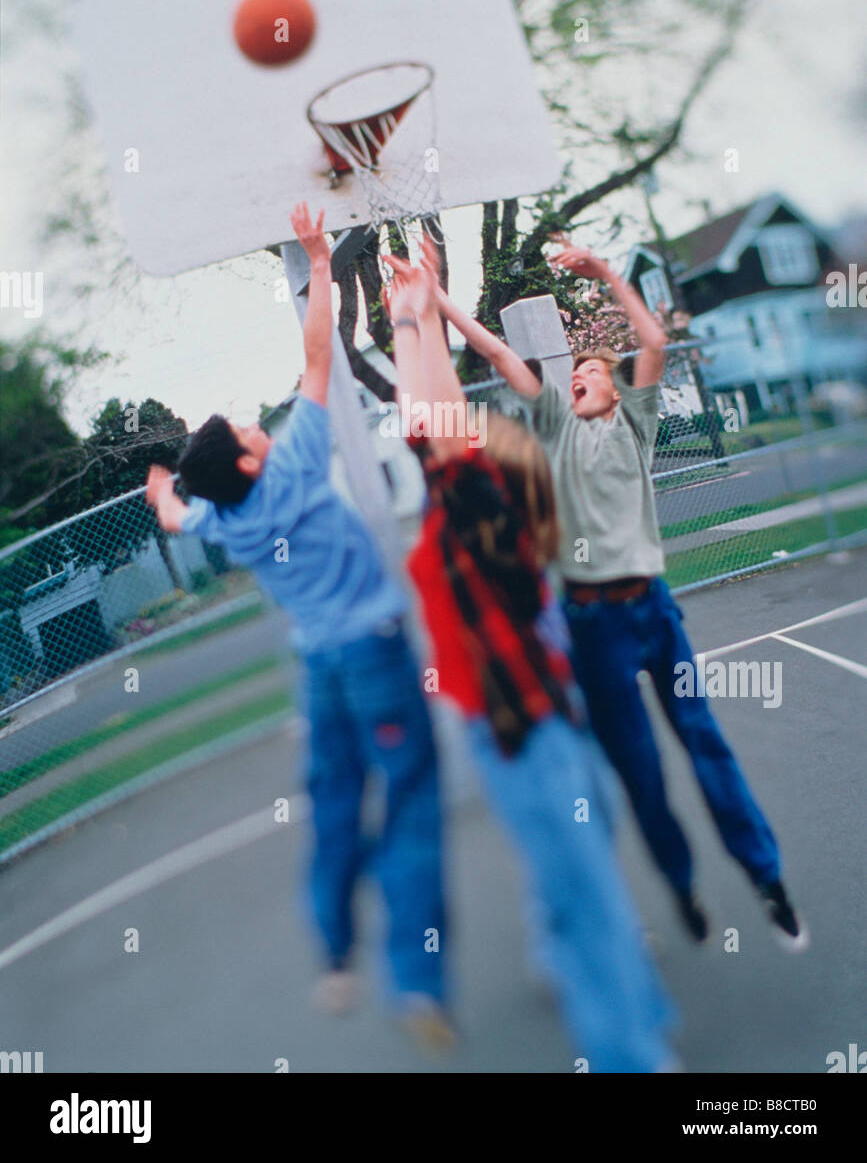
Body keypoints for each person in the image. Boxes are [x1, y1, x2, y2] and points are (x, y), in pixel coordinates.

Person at [427, 233, 808, 952]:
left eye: (590, 372)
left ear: (614, 388)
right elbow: (499, 353)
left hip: (651, 609)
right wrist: (436, 294)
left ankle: (766, 878)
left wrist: (601, 269)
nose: (576, 375)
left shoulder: (634, 424)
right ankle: (681, 885)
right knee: (639, 773)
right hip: (591, 623)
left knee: (703, 744)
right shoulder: (549, 426)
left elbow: (652, 337)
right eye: (570, 373)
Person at [146, 203, 451, 1045]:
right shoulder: (296, 468)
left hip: (320, 670)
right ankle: (418, 982)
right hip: (377, 656)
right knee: (414, 799)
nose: (260, 425)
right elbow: (321, 355)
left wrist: (162, 493)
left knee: (334, 804)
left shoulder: (227, 520)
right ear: (251, 458)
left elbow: (178, 517)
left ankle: (336, 961)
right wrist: (319, 262)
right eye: (249, 429)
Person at [381, 238, 679, 1072]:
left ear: (475, 479)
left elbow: (428, 422)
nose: (452, 438)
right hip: (538, 720)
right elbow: (432, 421)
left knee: (586, 883)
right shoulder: (492, 524)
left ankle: (619, 1038)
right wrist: (418, 310)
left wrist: (414, 314)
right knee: (586, 876)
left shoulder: (474, 534)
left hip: (530, 728)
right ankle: (610, 1013)